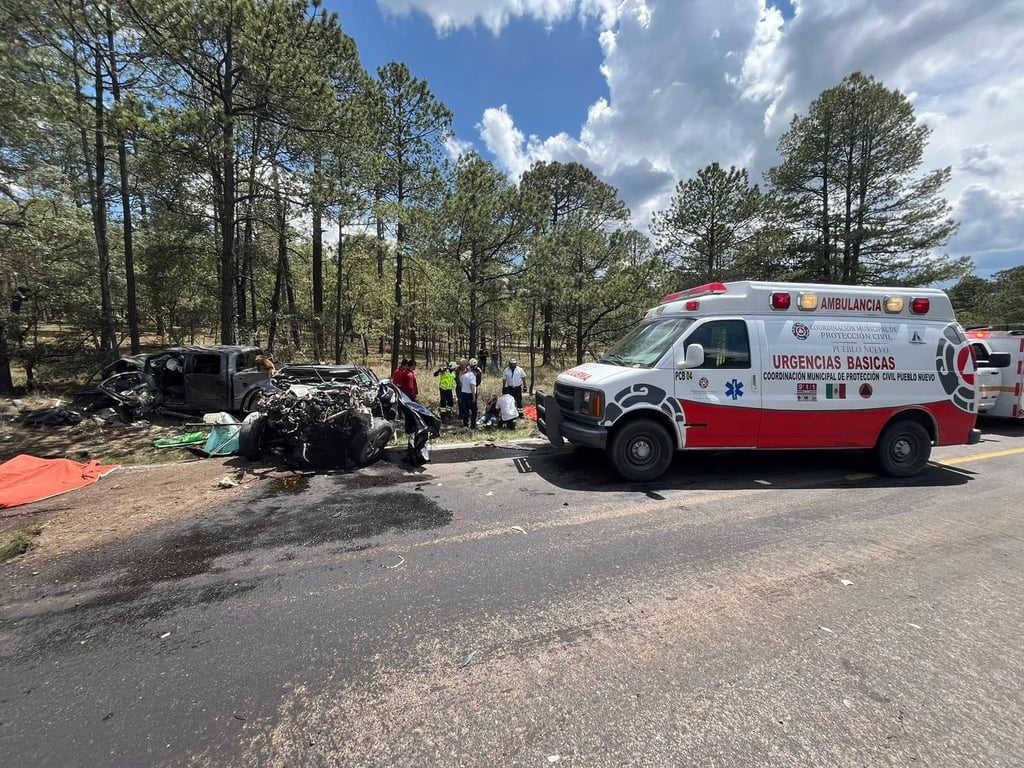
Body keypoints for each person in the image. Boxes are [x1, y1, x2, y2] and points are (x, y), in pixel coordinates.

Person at [457, 358, 477, 428]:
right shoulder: (472, 376)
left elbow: (460, 383)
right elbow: (472, 386)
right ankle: (473, 425)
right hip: (470, 394)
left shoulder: (464, 376)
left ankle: (465, 424)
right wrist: (474, 396)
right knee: (473, 410)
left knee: (465, 410)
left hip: (463, 393)